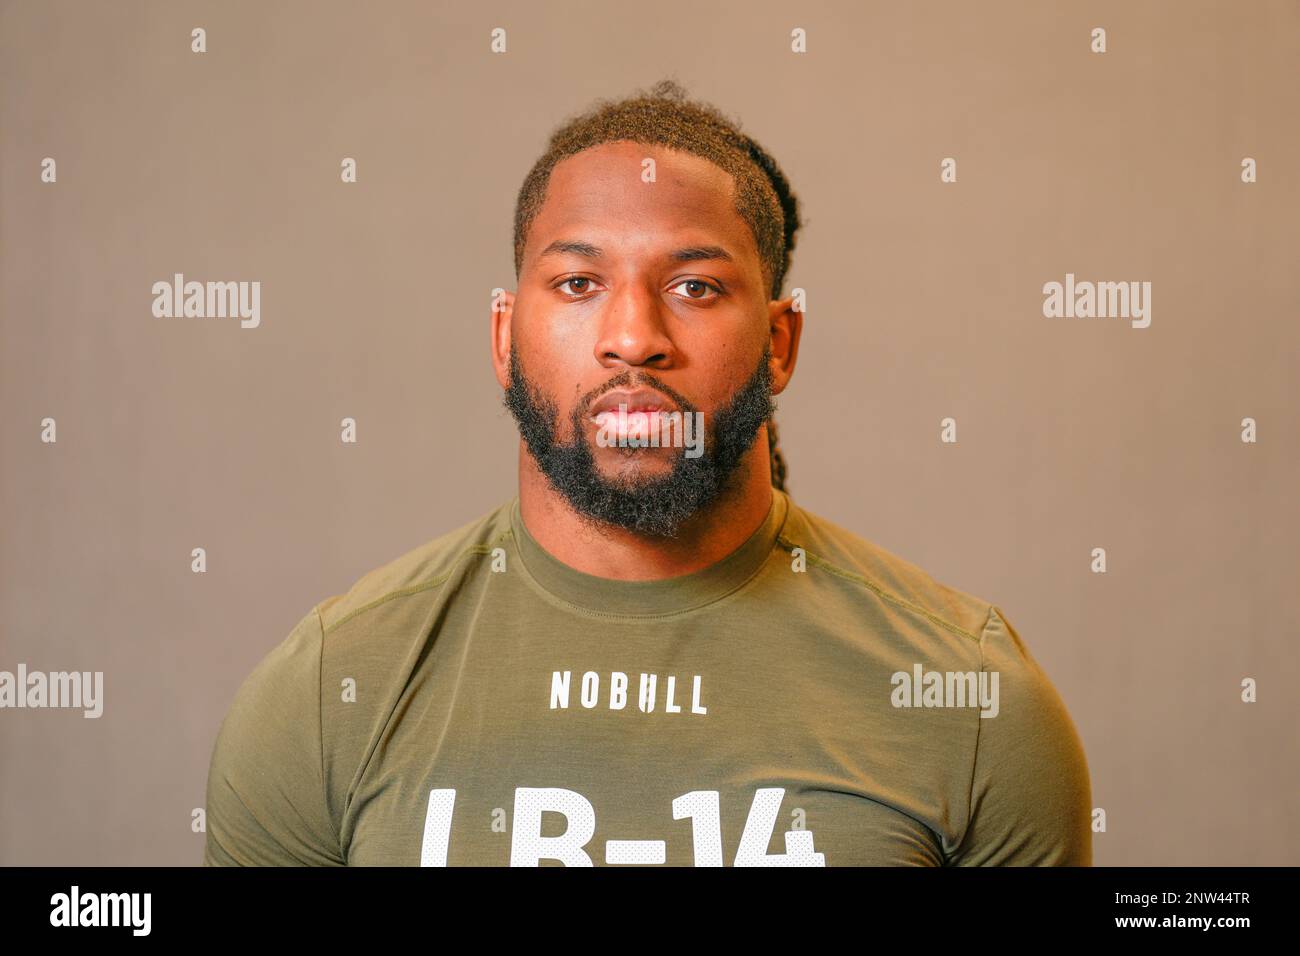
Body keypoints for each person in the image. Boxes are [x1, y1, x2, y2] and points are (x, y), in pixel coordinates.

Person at [202, 79, 1091, 867]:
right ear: (504, 339)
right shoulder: (330, 693)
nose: (633, 337)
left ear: (779, 343)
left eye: (694, 287)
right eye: (579, 283)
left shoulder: (971, 703)